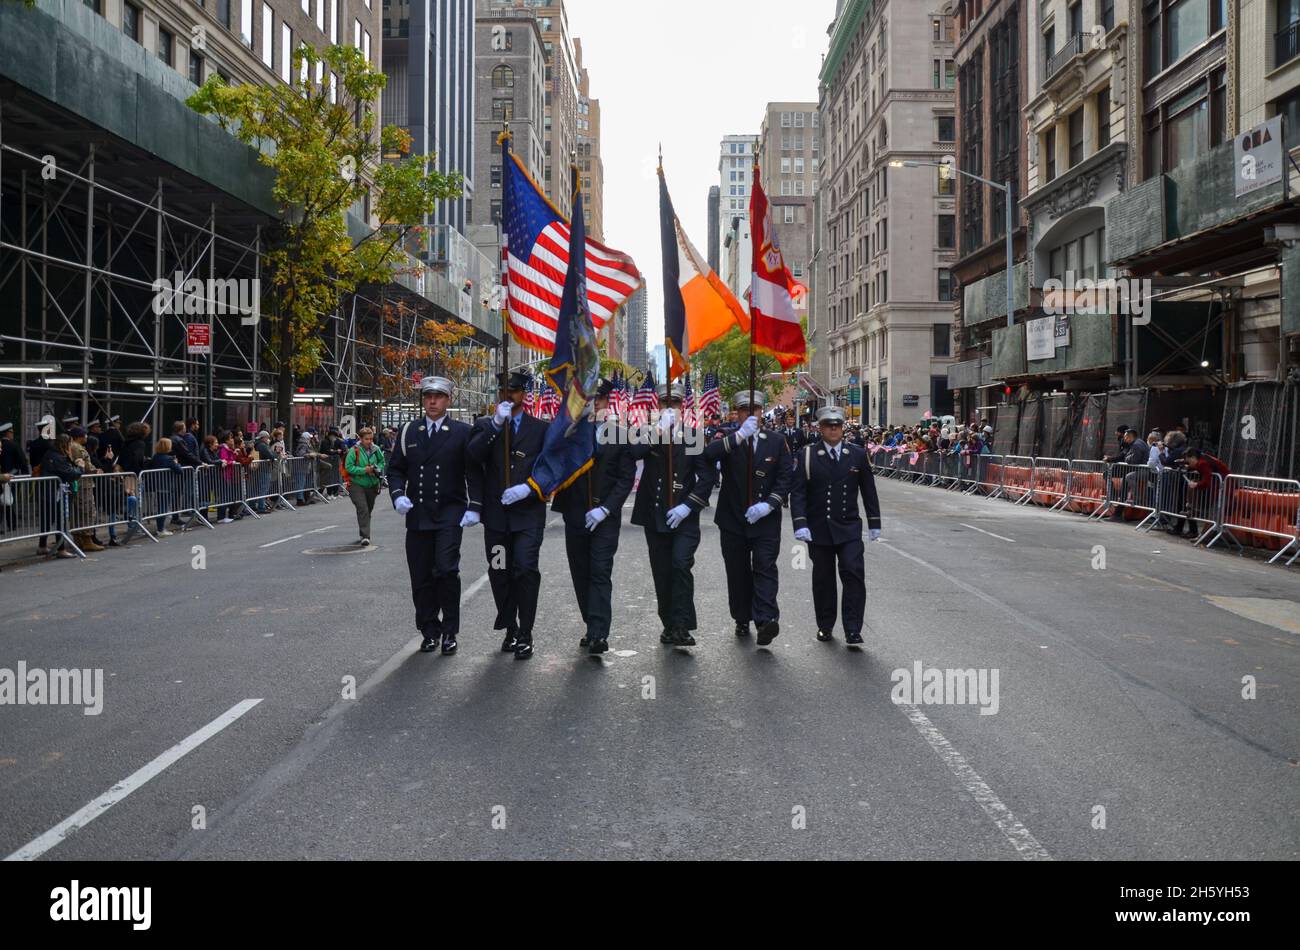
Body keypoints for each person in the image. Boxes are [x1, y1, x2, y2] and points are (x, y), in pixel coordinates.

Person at [388, 376, 484, 656]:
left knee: (446, 570)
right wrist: (397, 495)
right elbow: (396, 469)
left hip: (449, 513)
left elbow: (473, 472)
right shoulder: (409, 431)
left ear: (448, 400)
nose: (432, 401)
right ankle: (429, 630)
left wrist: (474, 506)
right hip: (417, 513)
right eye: (428, 396)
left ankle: (450, 631)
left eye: (438, 397)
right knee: (420, 576)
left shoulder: (462, 432)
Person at [550, 378, 636, 655]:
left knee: (600, 571)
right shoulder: (570, 433)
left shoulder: (619, 434)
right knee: (581, 571)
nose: (593, 404)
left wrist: (606, 508)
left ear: (606, 402)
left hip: (605, 516)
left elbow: (625, 478)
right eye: (588, 399)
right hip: (575, 513)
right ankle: (591, 623)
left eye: (598, 400)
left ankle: (599, 632)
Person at [467, 370, 548, 660]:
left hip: (527, 516)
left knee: (524, 569)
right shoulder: (485, 425)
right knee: (500, 571)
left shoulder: (540, 429)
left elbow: (549, 467)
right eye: (503, 390)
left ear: (524, 394)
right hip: (498, 519)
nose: (508, 395)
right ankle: (510, 627)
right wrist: (496, 425)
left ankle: (525, 632)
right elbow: (472, 457)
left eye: (513, 391)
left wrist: (529, 488)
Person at [702, 389, 792, 647]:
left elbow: (786, 476)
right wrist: (739, 437)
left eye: (754, 410)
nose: (749, 415)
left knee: (765, 566)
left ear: (761, 412)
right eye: (743, 410)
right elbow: (708, 455)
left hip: (765, 519)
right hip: (733, 518)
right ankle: (741, 617)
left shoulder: (776, 441)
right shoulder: (729, 438)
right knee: (738, 571)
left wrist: (770, 504)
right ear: (736, 413)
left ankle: (765, 620)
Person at [630, 383, 717, 648]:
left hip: (684, 517)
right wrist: (658, 430)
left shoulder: (693, 436)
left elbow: (707, 477)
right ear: (657, 406)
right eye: (665, 403)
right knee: (662, 572)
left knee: (680, 565)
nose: (671, 408)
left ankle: (682, 625)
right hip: (655, 514)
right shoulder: (646, 433)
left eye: (675, 403)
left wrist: (689, 505)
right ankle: (668, 624)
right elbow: (634, 453)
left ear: (683, 406)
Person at [790, 406, 883, 646]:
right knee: (823, 579)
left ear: (843, 428)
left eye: (837, 425)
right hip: (818, 527)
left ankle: (853, 629)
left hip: (849, 526)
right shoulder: (807, 455)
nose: (833, 429)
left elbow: (868, 491)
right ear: (820, 428)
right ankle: (825, 625)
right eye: (828, 425)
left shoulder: (857, 454)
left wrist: (874, 522)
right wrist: (800, 523)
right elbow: (798, 492)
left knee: (853, 573)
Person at [344, 426, 386, 546]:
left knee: (368, 509)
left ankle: (364, 528)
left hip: (372, 484)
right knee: (363, 508)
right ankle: (365, 536)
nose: (369, 441)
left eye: (371, 439)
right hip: (357, 484)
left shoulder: (376, 449)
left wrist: (377, 468)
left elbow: (382, 462)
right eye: (367, 439)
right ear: (361, 439)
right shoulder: (354, 450)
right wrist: (364, 470)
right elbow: (349, 467)